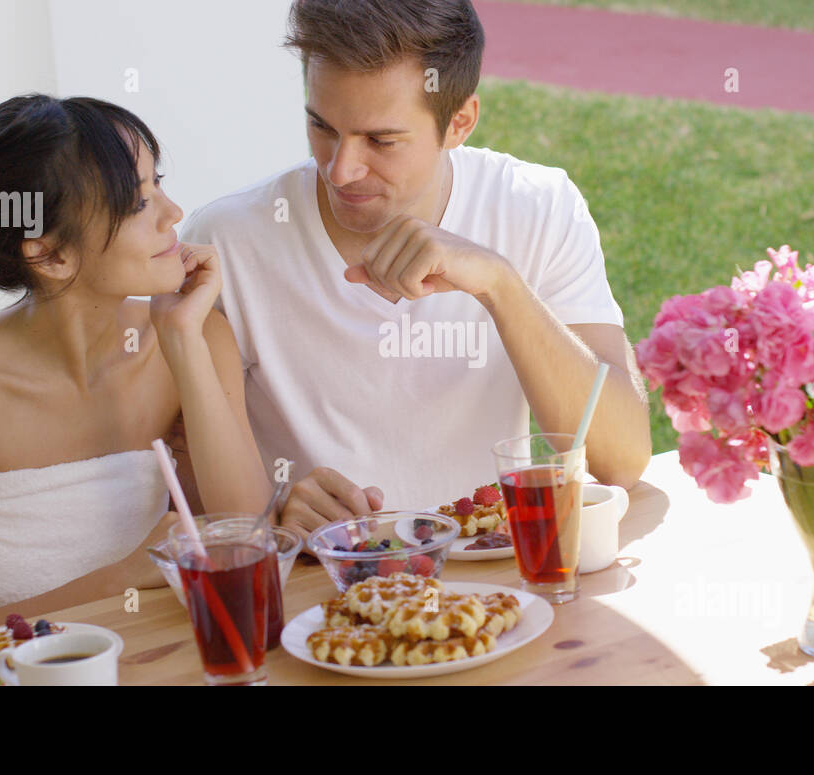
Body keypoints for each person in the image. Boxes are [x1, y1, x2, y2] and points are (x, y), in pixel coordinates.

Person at [182, 0, 652, 544]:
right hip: (322, 595)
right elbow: (178, 480)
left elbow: (620, 458)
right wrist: (279, 504)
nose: (341, 168)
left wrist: (499, 285)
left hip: (496, 579)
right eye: (321, 126)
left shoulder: (536, 207)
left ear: (460, 122)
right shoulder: (227, 240)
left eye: (381, 140)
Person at [0, 95, 269, 650]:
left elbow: (246, 539)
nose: (173, 213)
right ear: (50, 254)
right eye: (137, 204)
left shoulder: (196, 337)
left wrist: (183, 342)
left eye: (160, 184)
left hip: (160, 663)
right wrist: (119, 580)